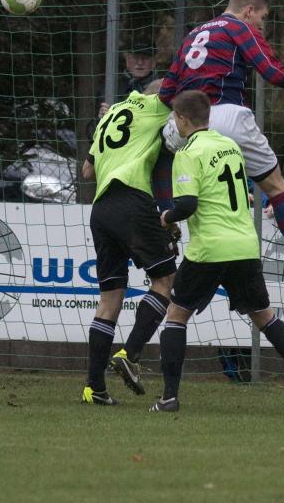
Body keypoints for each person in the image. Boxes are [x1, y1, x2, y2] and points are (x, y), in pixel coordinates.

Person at [151, 90, 284, 413]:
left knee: (177, 315)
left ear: (180, 119)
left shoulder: (188, 153)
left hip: (210, 248)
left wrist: (167, 216)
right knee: (264, 316)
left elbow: (188, 204)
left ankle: (168, 398)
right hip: (245, 245)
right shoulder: (230, 146)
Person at [160, 0, 284, 287]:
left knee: (176, 168)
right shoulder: (238, 27)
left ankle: (166, 220)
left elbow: (166, 92)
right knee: (276, 188)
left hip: (184, 124)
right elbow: (271, 70)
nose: (261, 25)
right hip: (227, 116)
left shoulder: (193, 35)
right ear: (249, 10)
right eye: (262, 18)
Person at [79, 79, 178, 406]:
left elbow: (86, 172)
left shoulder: (113, 113)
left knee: (109, 300)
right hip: (132, 200)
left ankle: (94, 388)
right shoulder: (156, 107)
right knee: (166, 281)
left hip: (101, 208)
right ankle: (130, 353)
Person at [97, 46, 161, 118]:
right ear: (127, 61)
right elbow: (92, 126)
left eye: (145, 58)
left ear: (154, 62)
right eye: (135, 57)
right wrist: (101, 119)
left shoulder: (163, 87)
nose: (140, 62)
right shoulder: (109, 89)